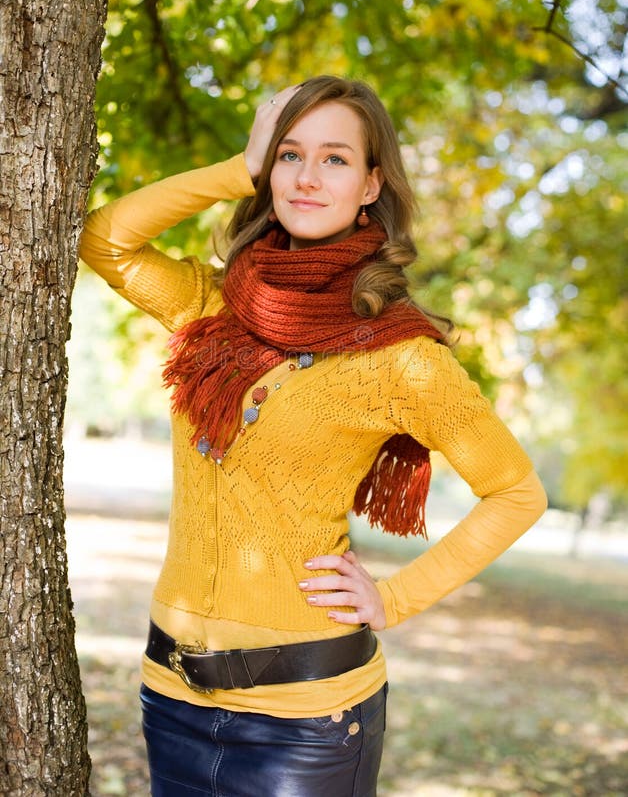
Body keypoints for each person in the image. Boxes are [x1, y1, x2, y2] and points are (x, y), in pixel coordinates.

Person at [79, 75, 547, 797]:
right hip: (169, 697)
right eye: (290, 154)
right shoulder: (211, 306)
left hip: (306, 718)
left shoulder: (401, 357)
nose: (306, 175)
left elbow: (516, 492)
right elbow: (106, 239)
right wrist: (239, 167)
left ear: (370, 184)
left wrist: (394, 599)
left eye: (334, 159)